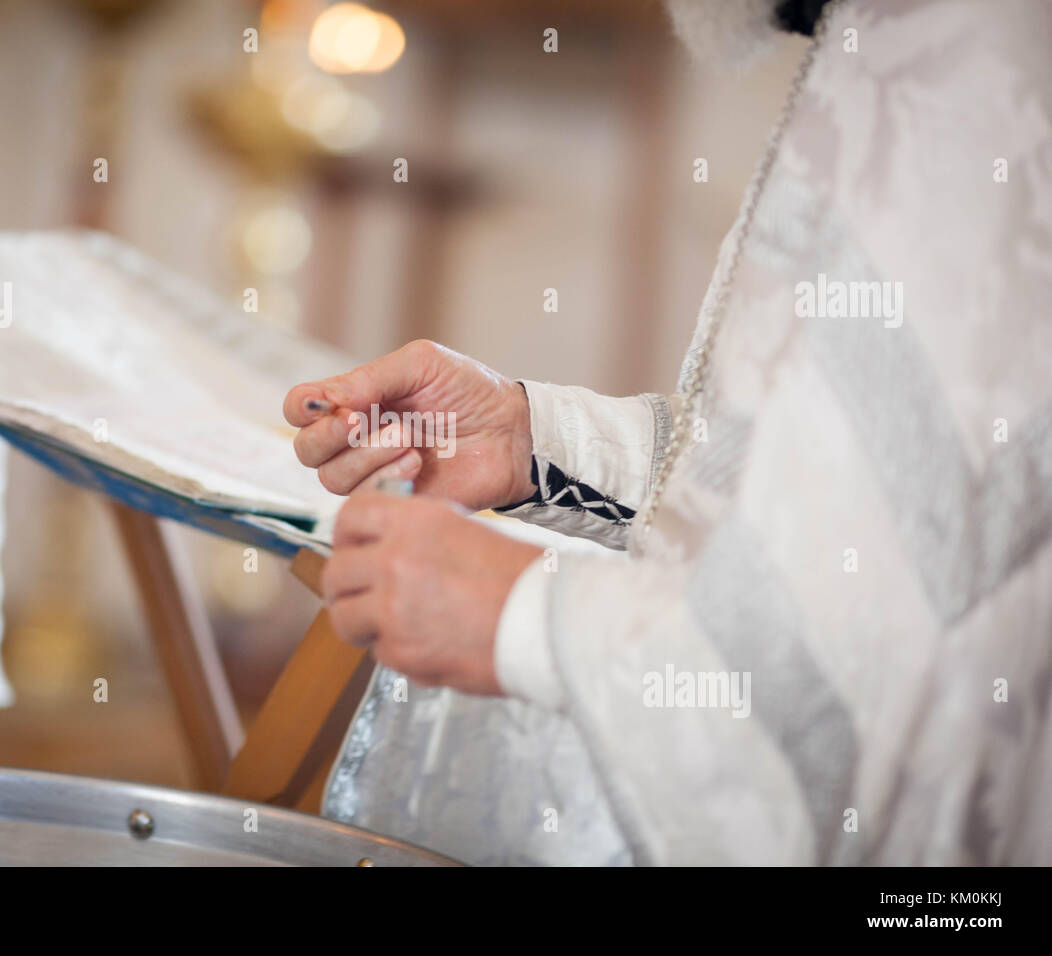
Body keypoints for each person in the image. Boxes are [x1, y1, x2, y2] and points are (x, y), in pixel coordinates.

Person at [283, 0, 1052, 864]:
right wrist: (530, 441)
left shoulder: (975, 53)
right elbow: (806, 488)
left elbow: (899, 660)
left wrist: (522, 614)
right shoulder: (889, 36)